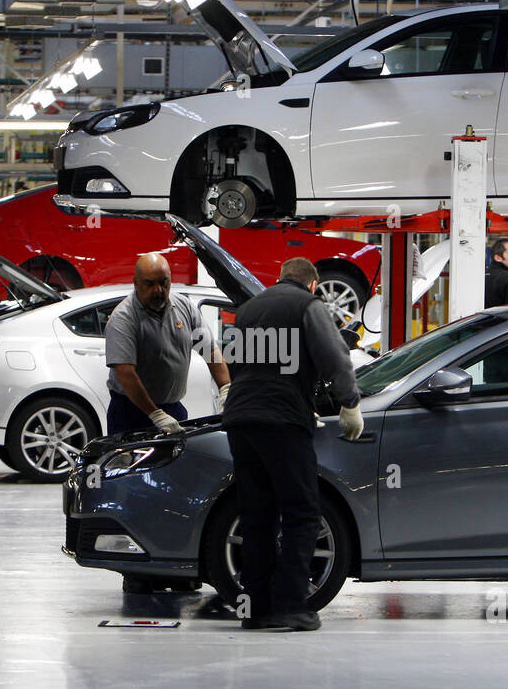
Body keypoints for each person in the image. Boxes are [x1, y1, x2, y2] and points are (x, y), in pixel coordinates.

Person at [222, 257, 362, 633]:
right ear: (313, 284)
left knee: (257, 516)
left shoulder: (248, 310)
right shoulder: (309, 306)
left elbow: (235, 362)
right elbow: (335, 357)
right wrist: (349, 403)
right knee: (301, 512)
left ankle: (254, 610)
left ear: (280, 278)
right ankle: (290, 607)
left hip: (240, 421)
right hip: (282, 422)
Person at [104, 252, 230, 436]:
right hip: (130, 413)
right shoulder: (124, 318)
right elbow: (125, 373)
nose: (158, 290)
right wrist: (156, 415)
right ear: (136, 283)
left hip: (173, 409)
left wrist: (225, 388)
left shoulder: (184, 307)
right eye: (150, 283)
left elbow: (210, 351)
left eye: (164, 283)